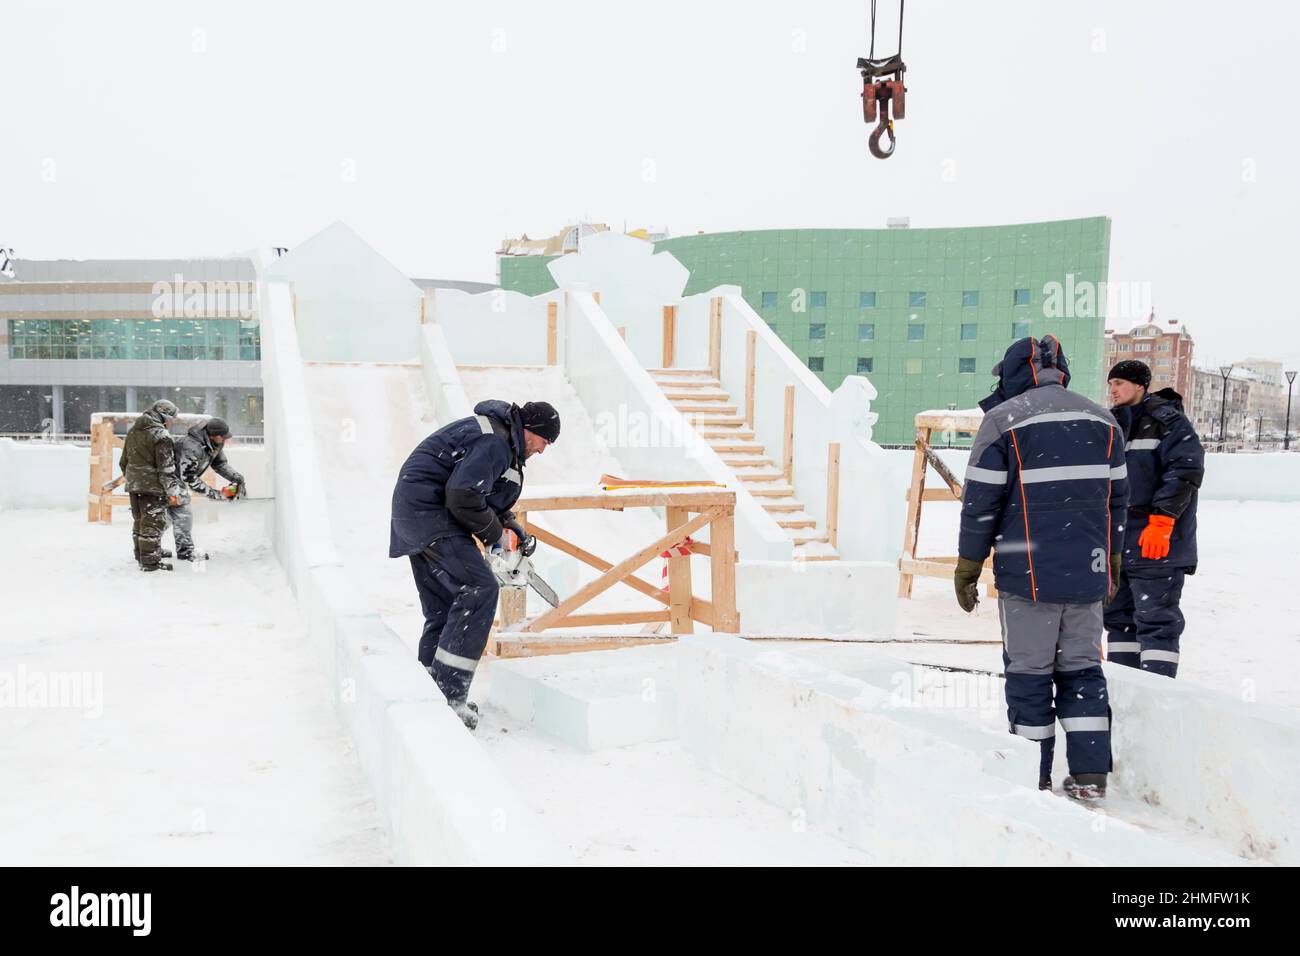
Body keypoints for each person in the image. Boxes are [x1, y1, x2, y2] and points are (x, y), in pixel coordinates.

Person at [954, 336, 1128, 800]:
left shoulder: (1003, 421)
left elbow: (980, 505)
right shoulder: (1103, 420)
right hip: (1088, 576)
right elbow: (1117, 502)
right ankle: (1090, 774)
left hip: (1028, 575)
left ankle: (1033, 777)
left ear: (1012, 375)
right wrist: (1110, 559)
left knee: (1029, 673)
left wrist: (968, 564)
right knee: (1082, 669)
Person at [390, 399, 560, 729]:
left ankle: (430, 691)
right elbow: (463, 495)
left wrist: (509, 525)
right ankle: (451, 697)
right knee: (479, 588)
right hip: (430, 514)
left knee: (445, 605)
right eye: (544, 442)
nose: (542, 451)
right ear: (531, 432)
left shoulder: (498, 438)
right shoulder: (496, 441)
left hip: (414, 514)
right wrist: (496, 534)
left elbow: (480, 493)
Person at [1104, 360, 1205, 678]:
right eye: (1110, 384)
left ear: (1139, 385)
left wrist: (1162, 520)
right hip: (1119, 543)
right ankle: (1128, 693)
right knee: (1119, 621)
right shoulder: (1111, 424)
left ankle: (1158, 695)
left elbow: (1185, 471)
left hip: (1158, 542)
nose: (1113, 390)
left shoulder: (1169, 422)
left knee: (1156, 621)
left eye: (1119, 383)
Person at [170, 417, 247, 561]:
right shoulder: (192, 446)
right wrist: (214, 494)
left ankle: (172, 549)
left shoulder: (215, 444)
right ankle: (159, 551)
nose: (225, 440)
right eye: (223, 437)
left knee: (174, 515)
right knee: (177, 514)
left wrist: (236, 478)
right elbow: (188, 477)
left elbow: (219, 464)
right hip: (168, 480)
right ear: (214, 435)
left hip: (178, 481)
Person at [118, 399, 182, 572]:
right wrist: (172, 491)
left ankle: (142, 554)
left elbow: (123, 461)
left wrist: (135, 478)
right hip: (152, 487)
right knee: (153, 522)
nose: (172, 422)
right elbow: (167, 468)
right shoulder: (161, 435)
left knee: (140, 521)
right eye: (171, 418)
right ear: (163, 415)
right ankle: (150, 562)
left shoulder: (133, 431)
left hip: (134, 485)